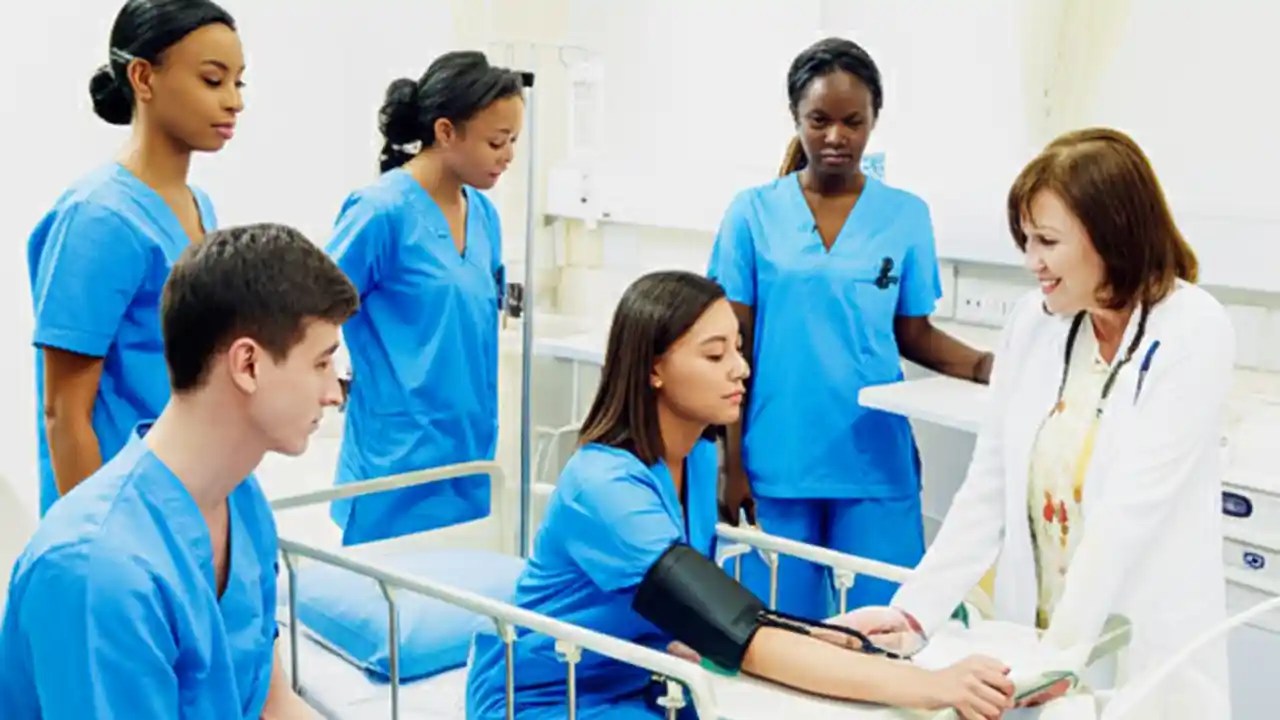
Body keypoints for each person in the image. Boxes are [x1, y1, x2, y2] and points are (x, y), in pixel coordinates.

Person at [466, 271, 1015, 720]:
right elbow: (736, 632)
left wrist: (831, 636)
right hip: (546, 697)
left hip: (643, 679)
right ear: (654, 369)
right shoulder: (604, 490)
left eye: (738, 348)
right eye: (715, 356)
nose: (742, 369)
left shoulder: (697, 459)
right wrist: (931, 686)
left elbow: (716, 615)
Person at [837, 128, 1234, 718]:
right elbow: (989, 485)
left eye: (1047, 241)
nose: (1032, 262)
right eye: (1026, 240)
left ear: (1112, 234)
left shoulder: (1193, 329)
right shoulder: (1035, 323)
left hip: (1138, 637)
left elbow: (1130, 513)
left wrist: (1062, 655)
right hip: (1037, 635)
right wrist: (915, 613)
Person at [0, 223, 357, 719]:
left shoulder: (241, 501)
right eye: (320, 364)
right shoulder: (98, 572)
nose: (334, 393)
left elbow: (273, 705)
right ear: (248, 365)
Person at [707, 37, 994, 619]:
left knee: (882, 633)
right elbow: (732, 349)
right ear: (796, 117)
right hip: (775, 461)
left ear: (873, 121)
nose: (836, 136)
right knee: (773, 633)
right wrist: (730, 462)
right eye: (820, 120)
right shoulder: (751, 213)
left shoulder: (905, 215)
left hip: (873, 461)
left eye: (852, 122)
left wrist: (991, 366)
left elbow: (914, 334)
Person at [27, 0, 243, 516]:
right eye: (213, 81)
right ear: (143, 77)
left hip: (190, 494)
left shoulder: (198, 207)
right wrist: (99, 542)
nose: (234, 101)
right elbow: (65, 414)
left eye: (240, 83)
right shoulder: (98, 218)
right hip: (123, 509)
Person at [326, 50, 524, 546]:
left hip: (468, 457)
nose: (508, 156)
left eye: (513, 142)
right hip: (394, 460)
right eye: (496, 141)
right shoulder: (381, 212)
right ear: (446, 131)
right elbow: (308, 312)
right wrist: (328, 378)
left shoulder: (484, 216)